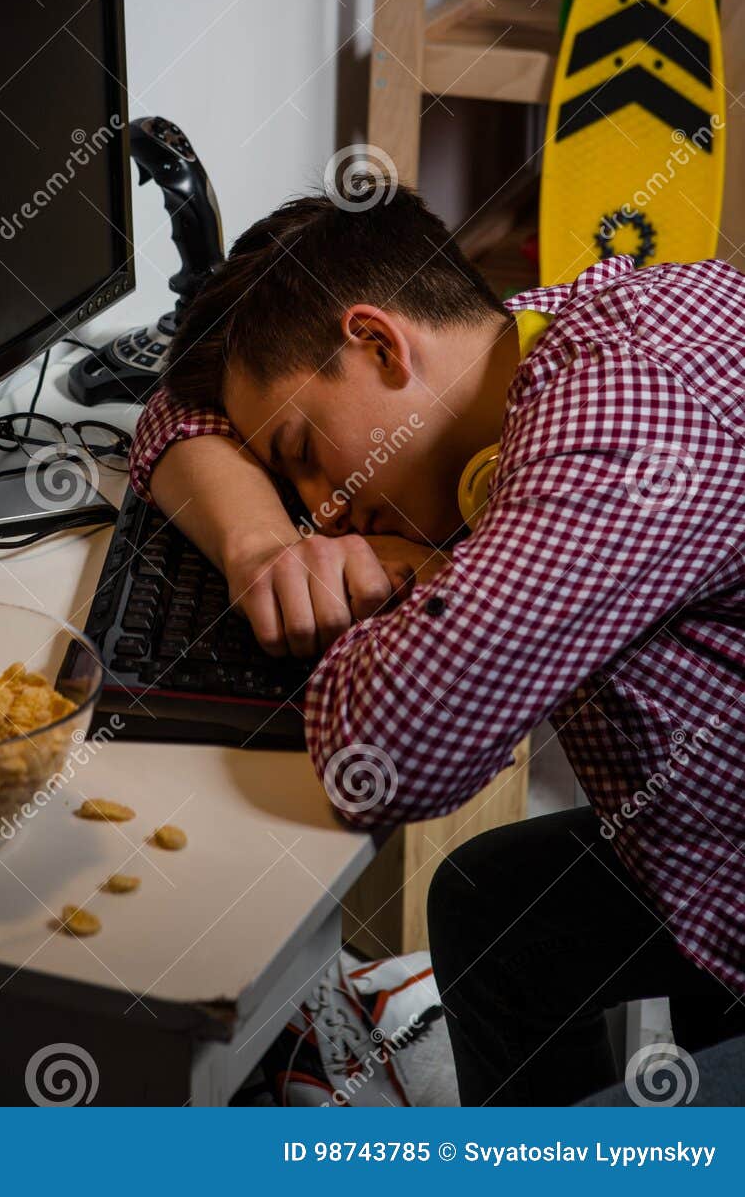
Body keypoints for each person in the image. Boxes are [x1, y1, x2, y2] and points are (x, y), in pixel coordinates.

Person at [127, 183, 745, 1105]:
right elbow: (169, 419)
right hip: (706, 823)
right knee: (485, 908)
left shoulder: (625, 424)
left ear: (377, 341)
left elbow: (394, 745)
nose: (320, 512)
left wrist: (414, 583)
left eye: (300, 453)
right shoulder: (524, 343)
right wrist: (264, 545)